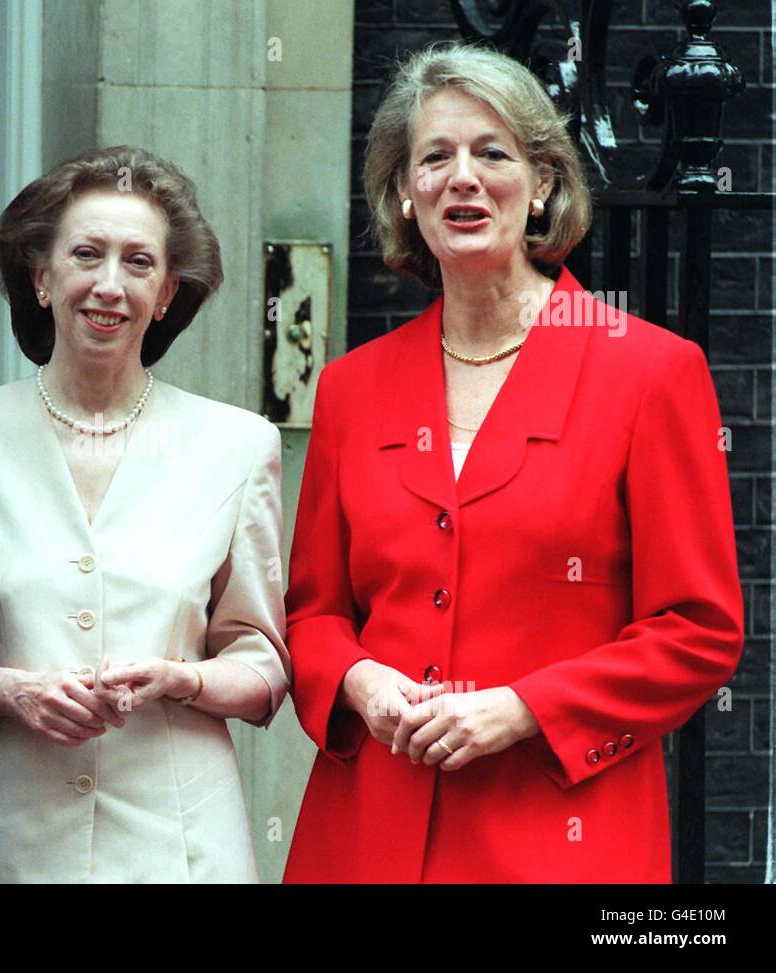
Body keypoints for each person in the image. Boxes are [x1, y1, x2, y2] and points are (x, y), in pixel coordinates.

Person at [284, 43, 744, 882]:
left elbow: (699, 630)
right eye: (435, 157)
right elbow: (313, 615)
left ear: (541, 186)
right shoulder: (353, 387)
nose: (463, 177)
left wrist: (526, 705)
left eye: (493, 153)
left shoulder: (650, 372)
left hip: (558, 835)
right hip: (367, 834)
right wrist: (357, 681)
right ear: (403, 194)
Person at [0, 145, 290, 882]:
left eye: (138, 262)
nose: (109, 284)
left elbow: (263, 666)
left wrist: (179, 677)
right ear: (41, 276)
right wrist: (15, 691)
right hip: (6, 837)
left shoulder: (237, 444)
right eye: (86, 254)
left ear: (166, 293)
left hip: (181, 844)